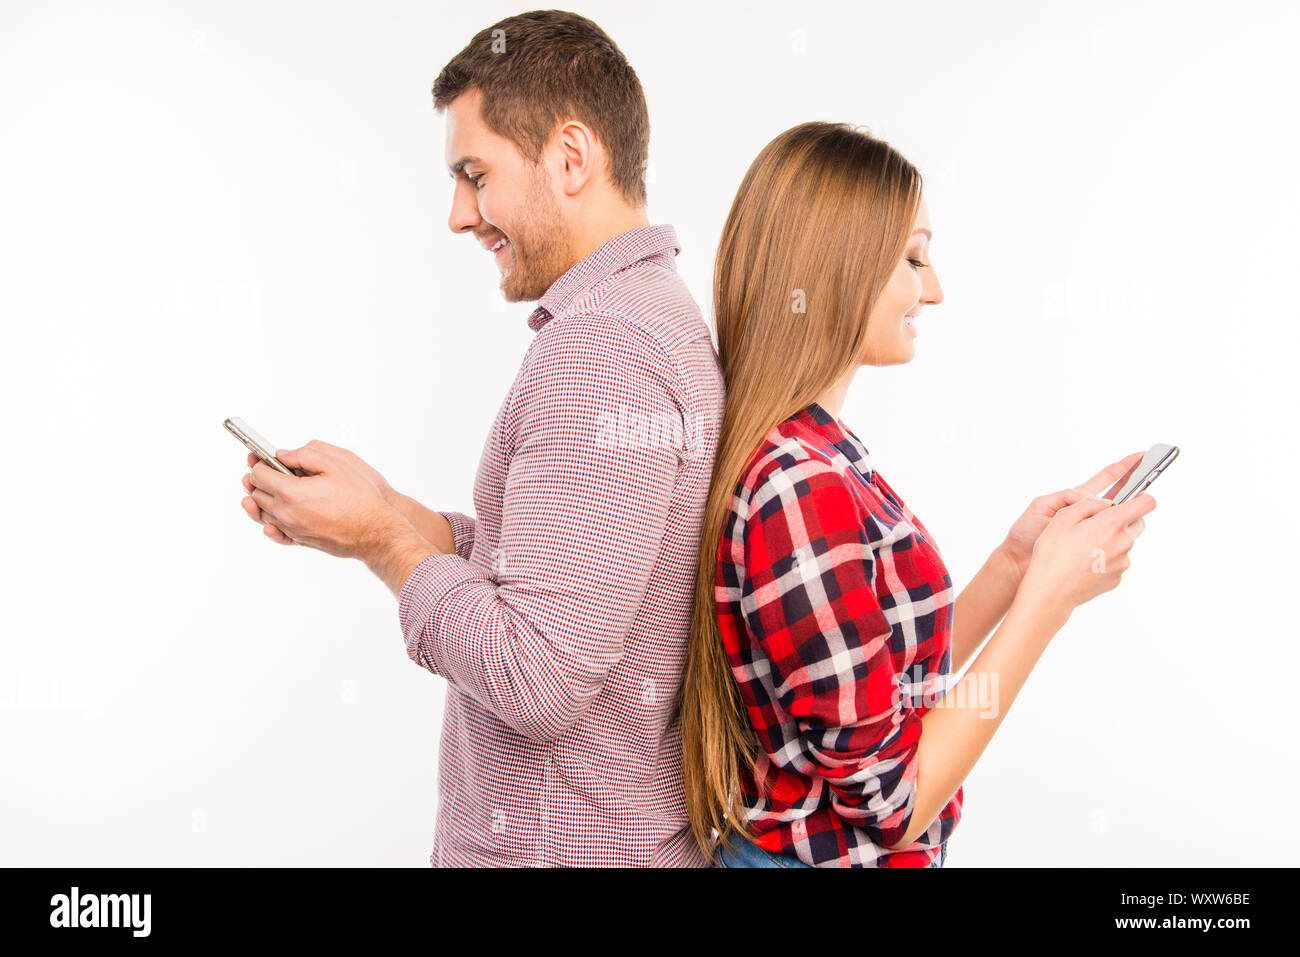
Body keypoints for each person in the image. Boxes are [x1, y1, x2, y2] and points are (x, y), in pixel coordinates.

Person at [240, 10, 724, 867]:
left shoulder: (604, 352)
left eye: (475, 174)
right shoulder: (645, 321)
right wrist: (389, 510)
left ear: (572, 157)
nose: (460, 215)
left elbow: (537, 675)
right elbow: (554, 577)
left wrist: (379, 540)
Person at [678, 121, 1156, 867]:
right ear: (837, 268)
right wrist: (1046, 605)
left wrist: (1013, 566)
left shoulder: (814, 449)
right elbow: (893, 800)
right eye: (913, 258)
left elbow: (875, 693)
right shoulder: (798, 484)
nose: (933, 291)